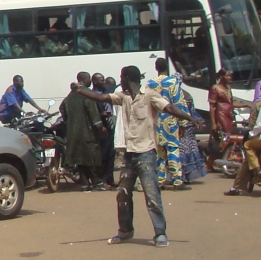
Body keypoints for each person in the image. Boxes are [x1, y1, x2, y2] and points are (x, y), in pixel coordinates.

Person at [78, 66, 196, 248]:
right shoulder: (122, 97)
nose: (120, 80)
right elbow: (101, 97)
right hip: (129, 154)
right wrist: (80, 90)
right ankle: (125, 231)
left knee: (152, 196)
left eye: (121, 77)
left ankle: (160, 233)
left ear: (127, 78)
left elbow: (170, 107)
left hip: (146, 153)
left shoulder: (149, 95)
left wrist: (190, 118)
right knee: (123, 195)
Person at [59, 72, 106, 191]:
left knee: (79, 159)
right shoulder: (87, 95)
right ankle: (97, 183)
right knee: (92, 158)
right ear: (85, 80)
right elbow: (94, 115)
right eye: (89, 79)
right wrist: (101, 128)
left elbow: (62, 108)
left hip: (73, 133)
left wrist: (68, 122)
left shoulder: (70, 96)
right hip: (88, 133)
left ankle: (84, 183)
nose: (90, 81)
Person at [147, 58, 185, 189]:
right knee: (173, 149)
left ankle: (160, 179)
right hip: (171, 120)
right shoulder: (173, 82)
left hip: (156, 121)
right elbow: (178, 102)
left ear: (156, 67)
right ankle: (177, 180)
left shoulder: (150, 83)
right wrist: (183, 122)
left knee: (159, 151)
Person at [206, 68, 246, 158]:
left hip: (229, 116)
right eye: (227, 76)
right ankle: (212, 161)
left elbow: (231, 103)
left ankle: (224, 159)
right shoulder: (215, 88)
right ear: (221, 76)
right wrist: (213, 123)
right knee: (223, 139)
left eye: (230, 76)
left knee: (230, 138)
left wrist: (246, 105)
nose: (229, 78)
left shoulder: (228, 88)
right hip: (220, 116)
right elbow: (212, 107)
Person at [91, 73, 116, 188]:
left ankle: (110, 179)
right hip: (102, 128)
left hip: (110, 126)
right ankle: (103, 179)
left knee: (111, 154)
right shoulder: (93, 96)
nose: (104, 82)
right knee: (104, 155)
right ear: (95, 82)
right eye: (101, 80)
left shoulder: (105, 94)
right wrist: (102, 116)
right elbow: (93, 114)